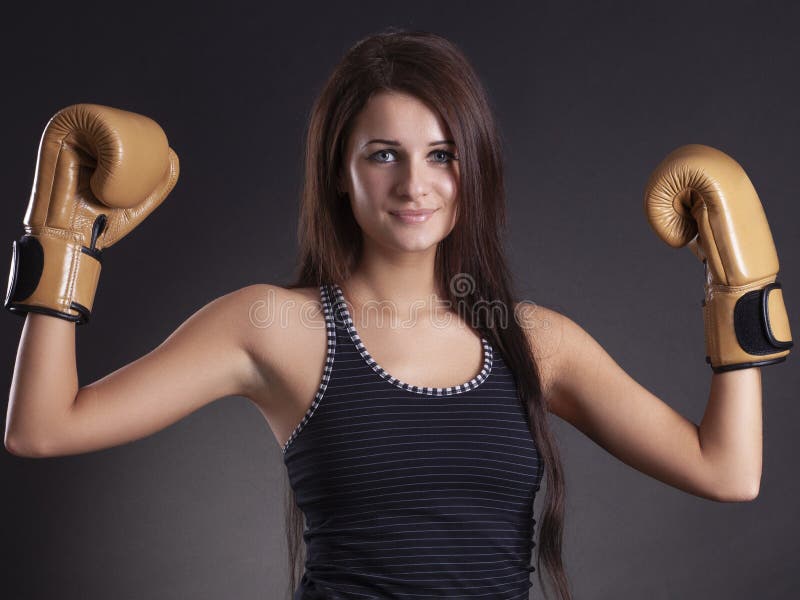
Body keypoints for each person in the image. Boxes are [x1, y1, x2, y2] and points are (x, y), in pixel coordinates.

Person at [4, 28, 792, 600]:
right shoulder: (272, 327)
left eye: (441, 154)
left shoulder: (534, 341)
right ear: (340, 173)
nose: (415, 184)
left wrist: (742, 295)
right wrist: (63, 247)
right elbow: (42, 427)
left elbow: (727, 471)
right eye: (384, 154)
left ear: (471, 169)